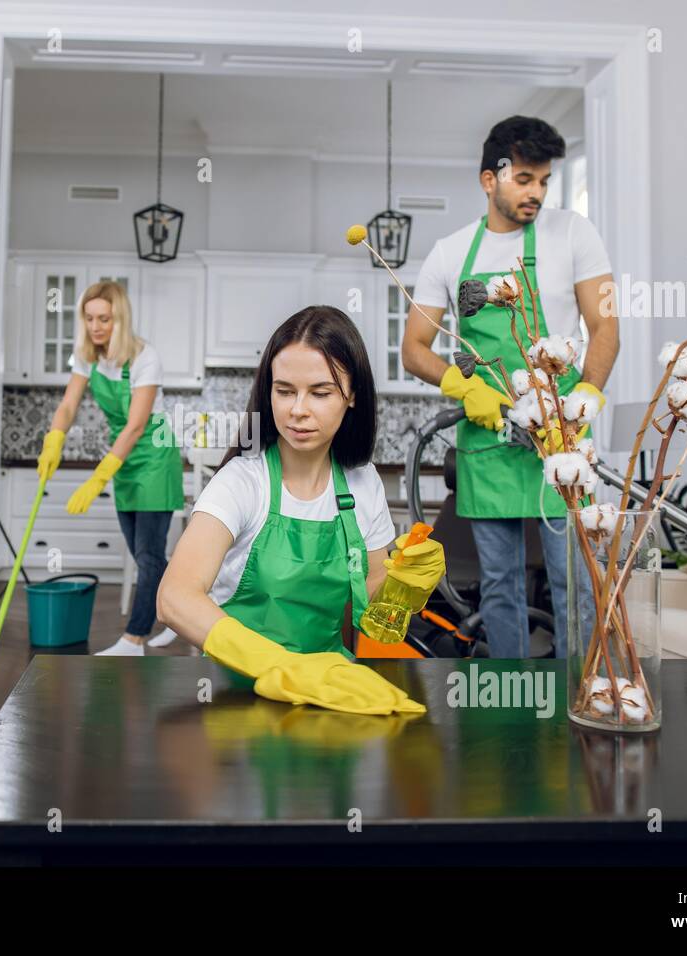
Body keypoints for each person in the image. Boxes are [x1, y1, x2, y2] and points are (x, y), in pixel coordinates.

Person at [401, 115, 618, 659]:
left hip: (560, 434)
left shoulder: (574, 233)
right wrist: (463, 387)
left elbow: (605, 326)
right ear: (489, 179)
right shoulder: (451, 254)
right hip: (488, 433)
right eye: (524, 179)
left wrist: (588, 392)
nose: (537, 193)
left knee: (575, 578)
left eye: (543, 181)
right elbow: (414, 348)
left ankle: (581, 695)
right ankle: (511, 705)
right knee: (499, 584)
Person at [156, 306, 443, 715]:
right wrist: (281, 667)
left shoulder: (363, 484)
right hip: (234, 697)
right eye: (285, 390)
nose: (298, 410)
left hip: (328, 691)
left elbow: (376, 608)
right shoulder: (242, 482)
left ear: (353, 395)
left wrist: (408, 585)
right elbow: (174, 598)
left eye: (321, 392)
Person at [35, 281, 184, 655]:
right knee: (141, 553)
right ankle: (182, 614)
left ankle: (135, 638)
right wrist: (54, 436)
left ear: (120, 318)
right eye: (89, 318)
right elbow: (69, 404)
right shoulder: (86, 355)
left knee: (149, 556)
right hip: (125, 457)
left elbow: (136, 424)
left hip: (154, 455)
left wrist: (99, 476)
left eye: (104, 318)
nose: (96, 326)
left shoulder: (144, 356)